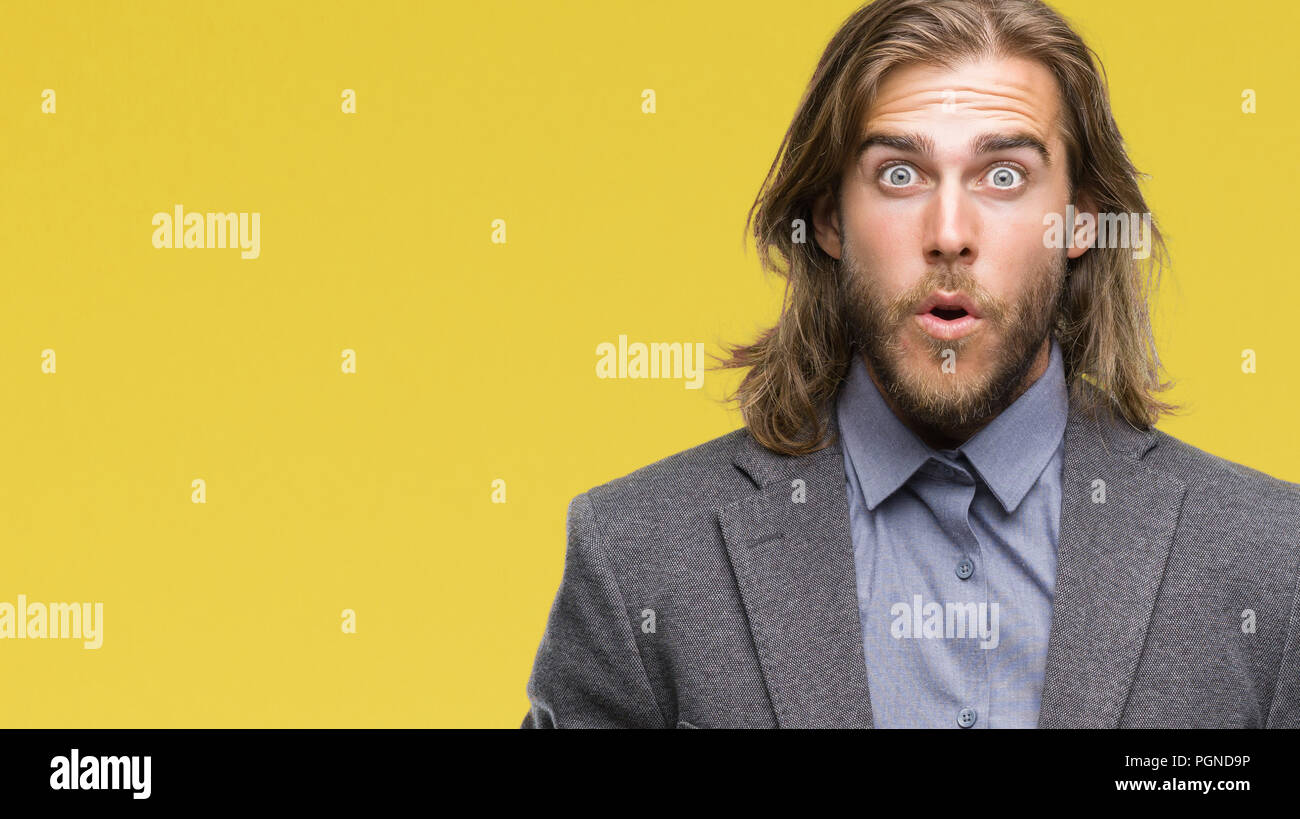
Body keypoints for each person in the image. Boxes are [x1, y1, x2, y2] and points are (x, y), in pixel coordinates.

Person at [521, 0, 1300, 728]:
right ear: (830, 220)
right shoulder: (636, 555)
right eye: (899, 174)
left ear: (1080, 221)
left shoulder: (1272, 560)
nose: (949, 232)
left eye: (1004, 175)